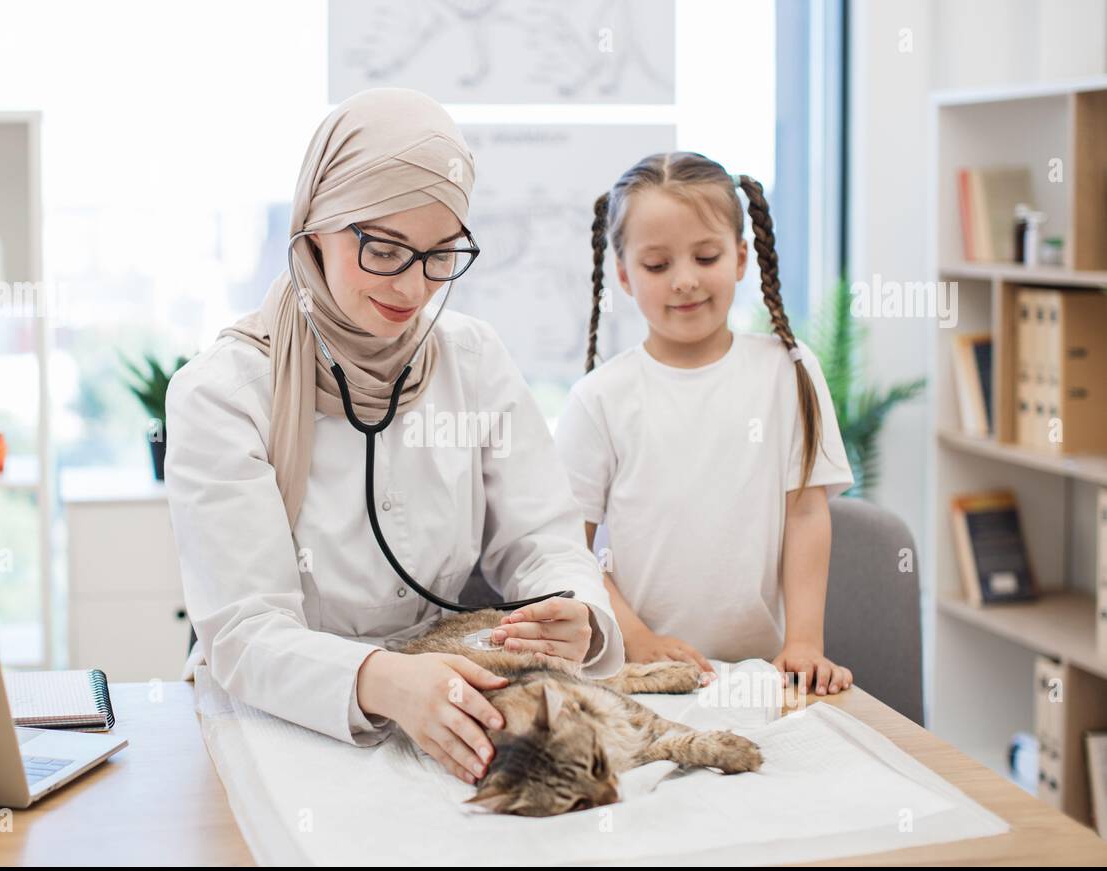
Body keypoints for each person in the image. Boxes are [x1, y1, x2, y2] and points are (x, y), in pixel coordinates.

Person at [164, 88, 622, 787]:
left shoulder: (473, 358)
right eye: (383, 249)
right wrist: (386, 681)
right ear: (315, 225)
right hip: (283, 717)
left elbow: (542, 537)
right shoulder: (222, 394)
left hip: (450, 701)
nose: (413, 286)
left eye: (441, 255)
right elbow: (245, 634)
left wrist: (574, 611)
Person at [554, 151, 856, 696]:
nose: (686, 281)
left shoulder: (789, 371)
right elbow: (566, 547)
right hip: (635, 675)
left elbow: (808, 512)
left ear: (741, 258)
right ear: (623, 275)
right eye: (657, 265)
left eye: (707, 255)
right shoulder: (599, 399)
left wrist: (806, 643)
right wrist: (637, 637)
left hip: (759, 677)